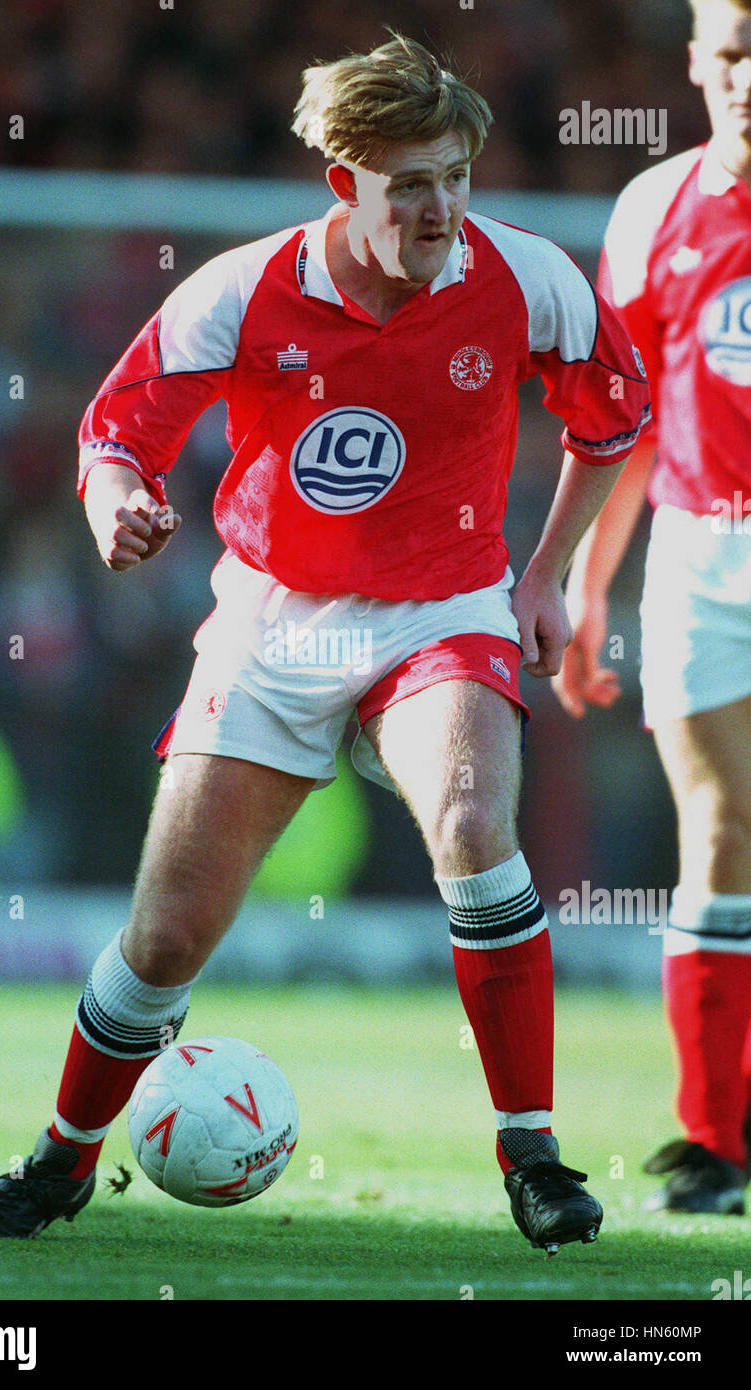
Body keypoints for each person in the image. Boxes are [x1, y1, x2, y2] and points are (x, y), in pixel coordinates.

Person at [0, 34, 650, 1251]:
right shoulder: (239, 290)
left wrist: (544, 578)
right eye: (410, 184)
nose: (440, 208)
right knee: (165, 938)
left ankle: (530, 1153)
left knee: (476, 829)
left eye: (455, 176)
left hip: (442, 609)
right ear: (345, 184)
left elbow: (613, 415)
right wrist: (117, 503)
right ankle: (62, 1160)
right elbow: (116, 429)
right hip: (274, 624)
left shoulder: (527, 279)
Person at [552, 0, 751, 1214]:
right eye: (729, 55)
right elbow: (615, 423)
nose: (747, 79)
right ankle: (712, 1144)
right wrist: (582, 582)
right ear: (693, 63)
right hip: (695, 556)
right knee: (718, 829)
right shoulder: (650, 210)